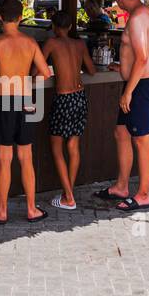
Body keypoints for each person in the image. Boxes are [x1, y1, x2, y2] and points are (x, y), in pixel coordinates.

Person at [0, 0, 51, 224]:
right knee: (26, 156)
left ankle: (1, 211)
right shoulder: (31, 43)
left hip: (3, 101)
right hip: (27, 100)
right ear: (21, 17)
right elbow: (46, 73)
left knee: (4, 158)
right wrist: (28, 82)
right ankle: (32, 209)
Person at [95, 0, 149, 211]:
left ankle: (144, 194)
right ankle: (122, 186)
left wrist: (128, 92)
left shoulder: (138, 18)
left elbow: (143, 58)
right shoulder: (143, 12)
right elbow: (135, 55)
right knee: (121, 132)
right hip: (136, 82)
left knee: (141, 139)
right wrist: (121, 67)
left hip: (141, 86)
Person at [42, 11, 96, 211]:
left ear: (54, 27)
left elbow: (36, 70)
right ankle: (67, 193)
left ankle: (69, 198)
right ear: (71, 26)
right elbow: (91, 70)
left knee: (57, 149)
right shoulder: (80, 44)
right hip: (79, 97)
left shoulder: (51, 43)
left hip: (63, 98)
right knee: (73, 147)